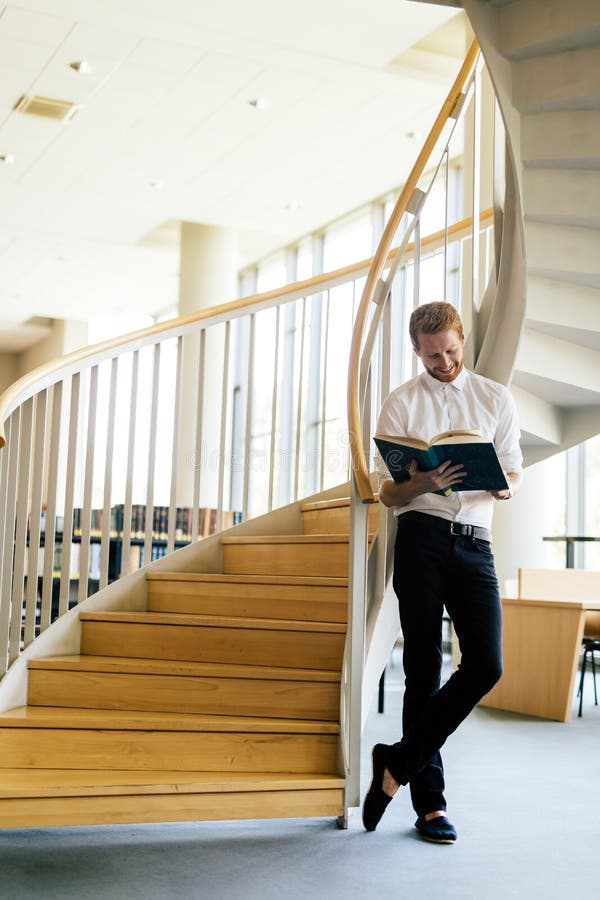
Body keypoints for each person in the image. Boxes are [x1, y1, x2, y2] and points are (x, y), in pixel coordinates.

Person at [363, 300, 522, 844]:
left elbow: (514, 469)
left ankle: (395, 763)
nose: (444, 362)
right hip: (422, 540)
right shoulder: (401, 403)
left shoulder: (494, 397)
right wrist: (423, 484)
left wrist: (504, 484)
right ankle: (429, 807)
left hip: (476, 542)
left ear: (462, 340)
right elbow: (386, 491)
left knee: (486, 664)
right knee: (423, 671)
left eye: (451, 351)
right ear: (417, 351)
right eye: (432, 356)